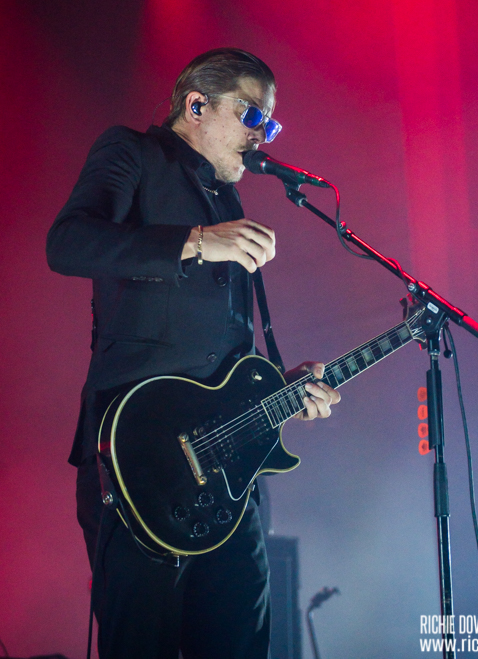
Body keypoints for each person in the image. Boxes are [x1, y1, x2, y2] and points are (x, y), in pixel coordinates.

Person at [46, 48, 340, 659]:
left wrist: (283, 387)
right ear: (197, 105)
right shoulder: (133, 153)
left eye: (271, 123)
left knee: (239, 641)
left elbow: (222, 357)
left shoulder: (227, 199)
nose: (263, 135)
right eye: (252, 115)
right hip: (137, 459)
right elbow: (69, 243)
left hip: (228, 474)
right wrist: (196, 242)